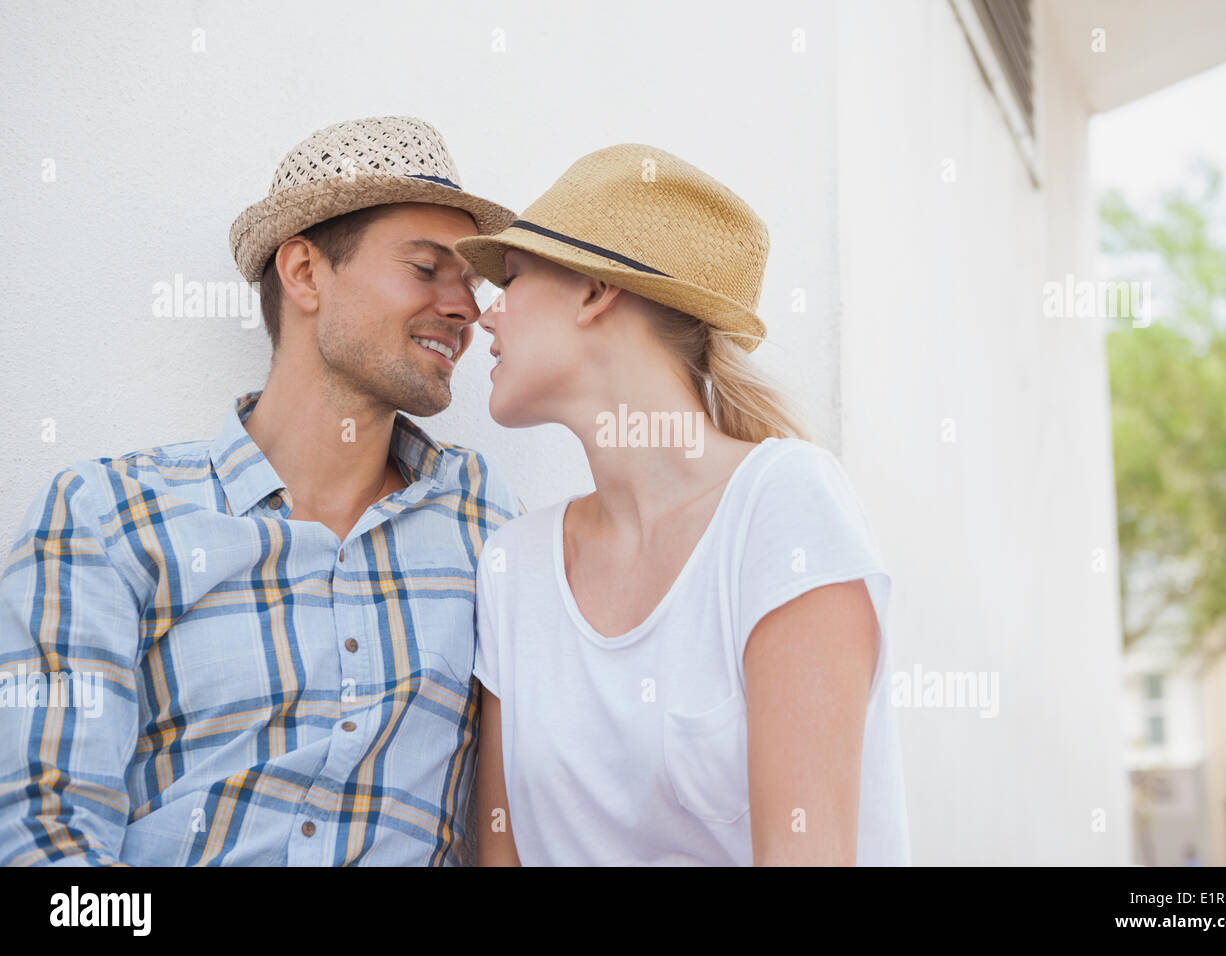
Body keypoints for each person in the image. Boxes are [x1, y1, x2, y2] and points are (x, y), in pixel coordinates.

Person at [0, 116, 521, 865]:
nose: (466, 307)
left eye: (468, 281)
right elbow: (46, 840)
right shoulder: (108, 517)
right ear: (305, 273)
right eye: (425, 268)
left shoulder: (482, 516)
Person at [456, 144, 910, 865]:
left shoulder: (781, 506)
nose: (486, 316)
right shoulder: (513, 566)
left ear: (595, 290)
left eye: (511, 279)